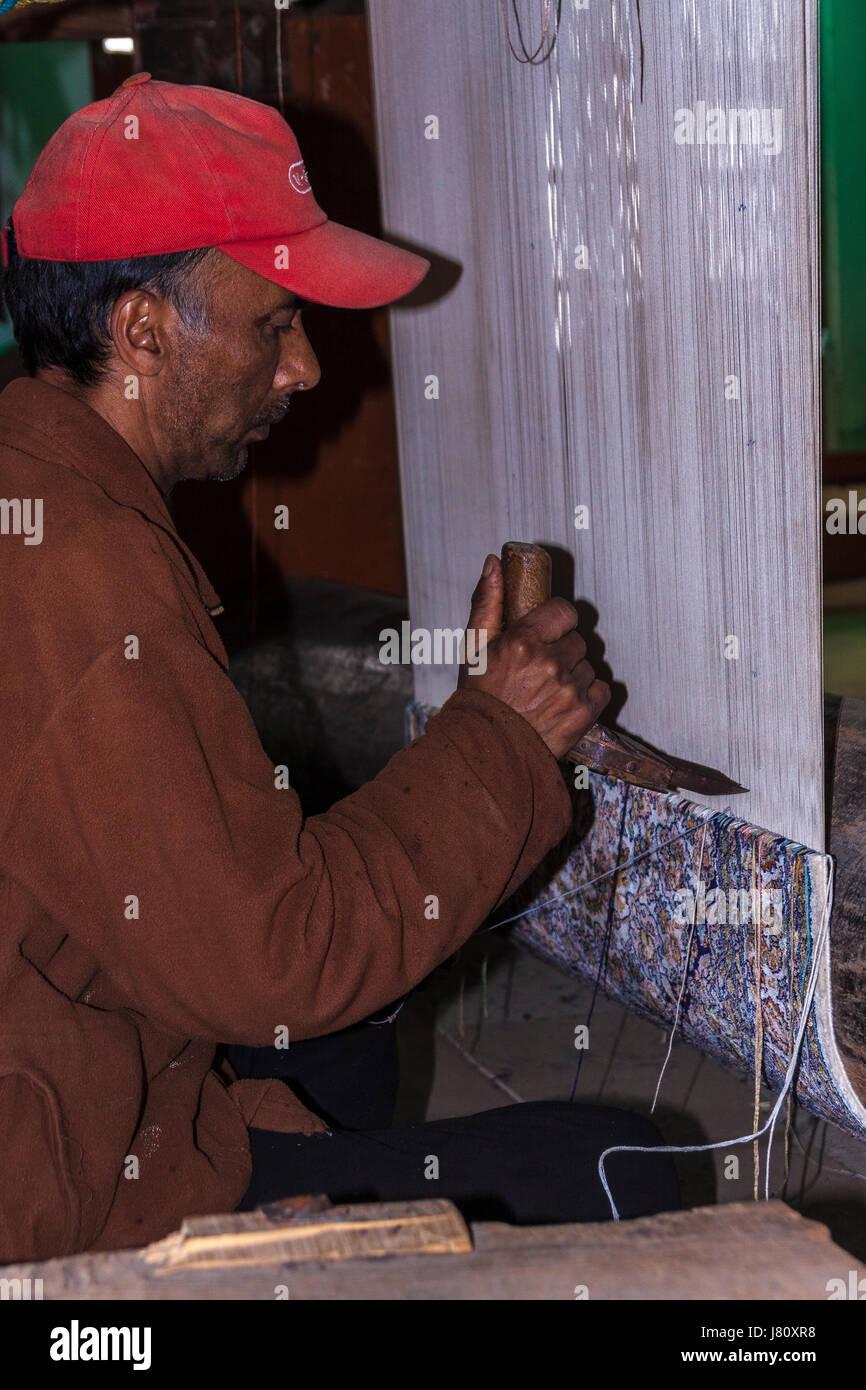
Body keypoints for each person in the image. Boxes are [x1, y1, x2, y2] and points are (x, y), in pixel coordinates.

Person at [0, 75, 678, 1264]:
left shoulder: (40, 489)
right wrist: (503, 737)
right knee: (608, 1170)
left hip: (90, 1072)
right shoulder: (79, 573)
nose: (306, 367)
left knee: (352, 1030)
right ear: (142, 331)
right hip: (51, 1204)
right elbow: (280, 957)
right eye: (273, 324)